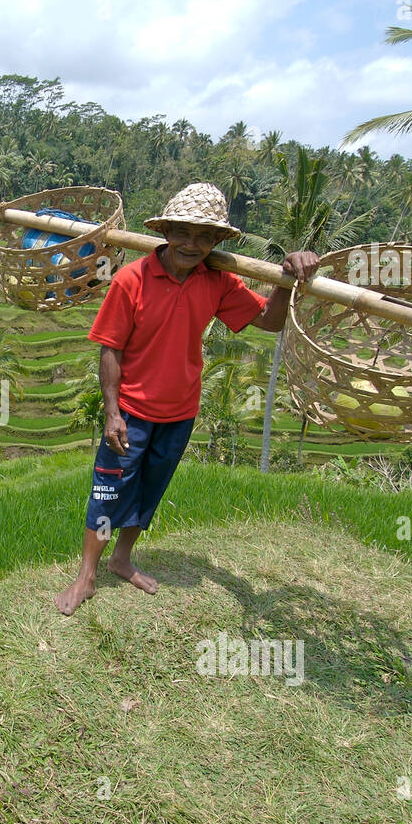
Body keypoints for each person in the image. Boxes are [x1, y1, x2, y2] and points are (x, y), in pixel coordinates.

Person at [54, 183, 320, 616]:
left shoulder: (217, 282)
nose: (192, 245)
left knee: (149, 488)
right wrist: (112, 412)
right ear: (167, 231)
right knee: (107, 489)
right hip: (132, 413)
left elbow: (269, 321)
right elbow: (110, 349)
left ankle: (122, 559)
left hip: (180, 412)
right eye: (183, 232)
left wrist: (288, 278)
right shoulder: (130, 280)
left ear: (217, 242)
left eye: (204, 237)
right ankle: (86, 574)